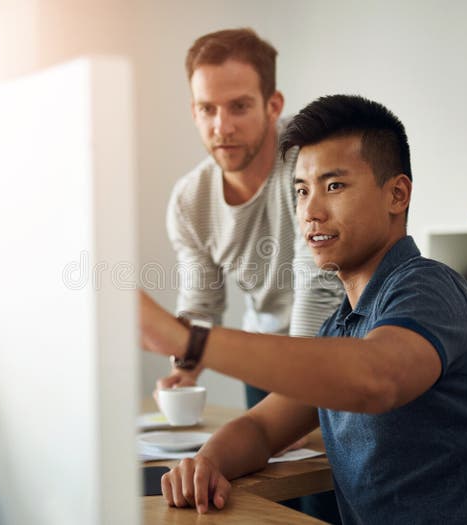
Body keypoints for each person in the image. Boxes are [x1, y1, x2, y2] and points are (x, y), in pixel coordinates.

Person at [140, 94, 467, 524]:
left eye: (334, 186)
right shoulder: (341, 328)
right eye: (301, 191)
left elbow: (376, 379)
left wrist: (190, 340)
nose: (311, 212)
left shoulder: (429, 288)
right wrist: (207, 462)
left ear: (397, 194)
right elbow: (260, 429)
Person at [158, 28, 343, 409]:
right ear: (194, 111)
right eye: (207, 109)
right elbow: (201, 302)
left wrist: (297, 391)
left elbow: (318, 286)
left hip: (338, 349)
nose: (221, 127)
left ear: (273, 106)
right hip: (267, 357)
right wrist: (186, 365)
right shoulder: (190, 200)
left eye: (239, 107)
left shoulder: (307, 161)